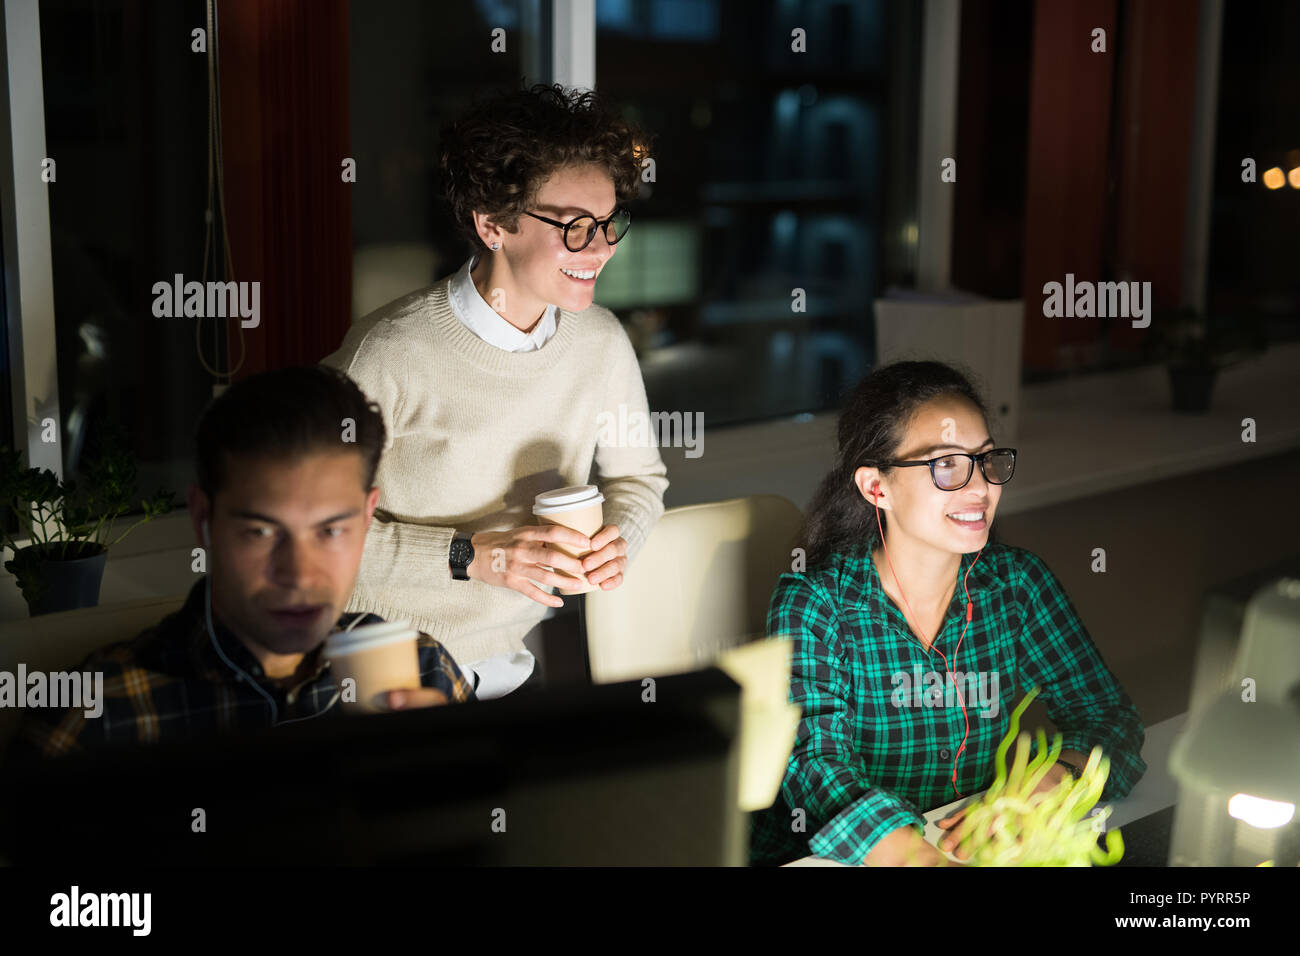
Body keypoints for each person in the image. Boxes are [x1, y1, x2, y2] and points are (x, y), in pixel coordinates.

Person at [322, 83, 668, 699]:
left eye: (610, 222)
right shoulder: (390, 353)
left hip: (509, 662)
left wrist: (620, 539)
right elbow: (317, 532)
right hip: (380, 658)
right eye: (574, 226)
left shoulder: (601, 343)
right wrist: (469, 557)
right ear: (492, 225)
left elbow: (638, 480)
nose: (601, 248)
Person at [751, 361, 1146, 866]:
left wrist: (1055, 778)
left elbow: (1109, 717)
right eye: (946, 465)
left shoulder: (1017, 584)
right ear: (877, 487)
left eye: (987, 461)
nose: (980, 488)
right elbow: (814, 766)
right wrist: (914, 855)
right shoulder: (815, 604)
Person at [6, 366, 472, 761]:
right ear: (203, 519)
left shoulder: (423, 669)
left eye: (331, 530)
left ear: (368, 516)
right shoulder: (98, 714)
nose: (300, 574)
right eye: (262, 532)